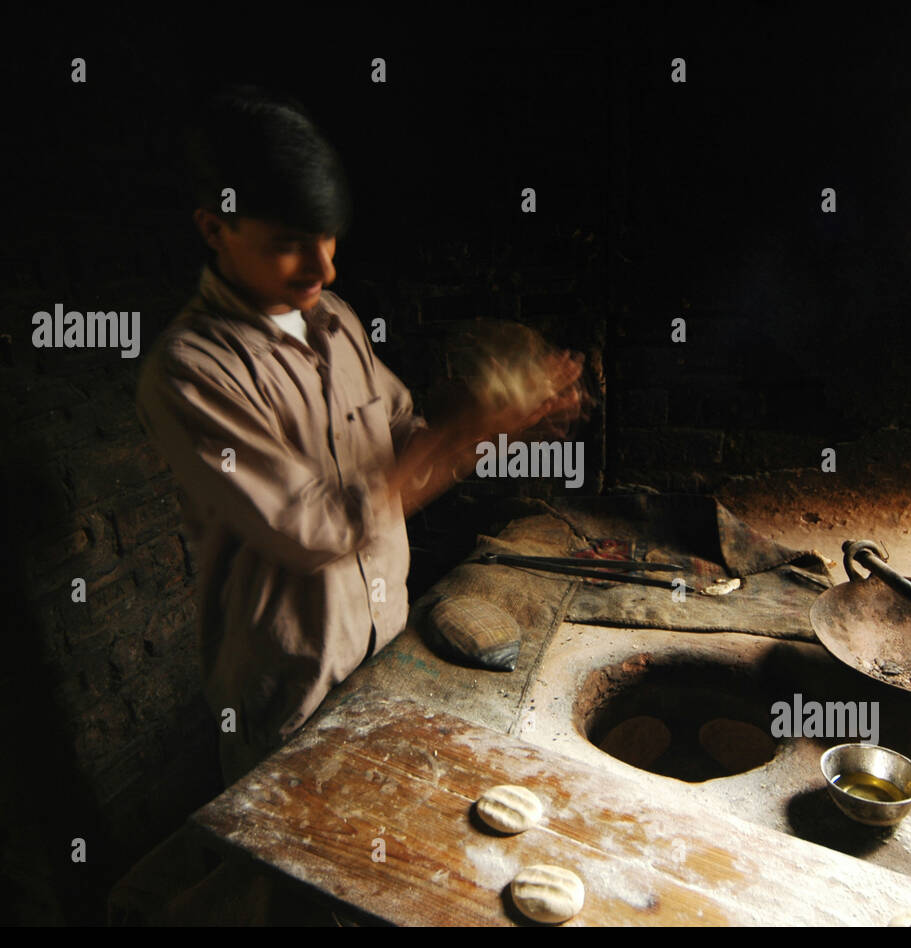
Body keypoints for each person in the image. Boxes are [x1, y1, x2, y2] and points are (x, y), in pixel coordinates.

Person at [135, 84, 582, 790]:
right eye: (289, 245)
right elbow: (313, 528)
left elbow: (407, 440)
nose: (325, 268)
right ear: (214, 228)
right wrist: (469, 423)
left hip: (384, 657)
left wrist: (506, 420)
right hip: (288, 698)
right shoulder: (190, 370)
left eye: (328, 237)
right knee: (303, 887)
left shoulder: (334, 320)